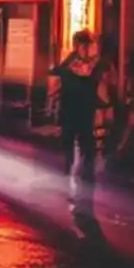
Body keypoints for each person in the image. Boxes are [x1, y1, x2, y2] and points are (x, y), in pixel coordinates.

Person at [51, 29, 106, 197]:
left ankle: (85, 179)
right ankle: (70, 175)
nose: (86, 49)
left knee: (86, 143)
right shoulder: (69, 64)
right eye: (83, 45)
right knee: (70, 142)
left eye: (88, 45)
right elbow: (57, 81)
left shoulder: (96, 65)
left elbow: (99, 86)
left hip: (85, 109)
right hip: (71, 108)